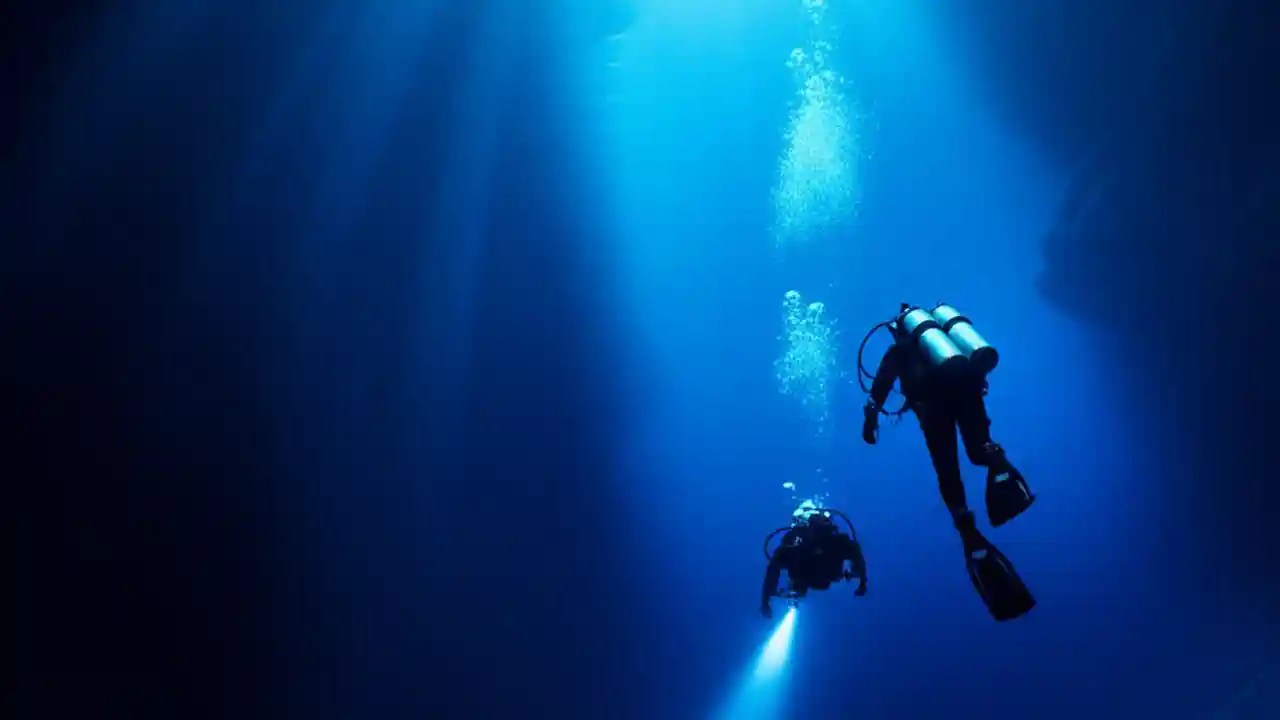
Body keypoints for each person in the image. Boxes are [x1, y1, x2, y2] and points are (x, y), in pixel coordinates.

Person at [859, 303, 1035, 621]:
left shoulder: (899, 350)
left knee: (947, 469)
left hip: (932, 410)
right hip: (967, 394)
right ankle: (1000, 466)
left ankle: (966, 527)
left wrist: (870, 417)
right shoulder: (947, 343)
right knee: (980, 449)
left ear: (898, 328)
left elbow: (882, 383)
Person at [760, 508, 867, 619]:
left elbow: (773, 569)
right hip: (825, 576)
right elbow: (857, 557)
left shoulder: (793, 542)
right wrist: (862, 583)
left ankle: (795, 594)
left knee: (798, 585)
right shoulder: (840, 541)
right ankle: (795, 593)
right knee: (800, 583)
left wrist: (765, 601)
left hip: (806, 579)